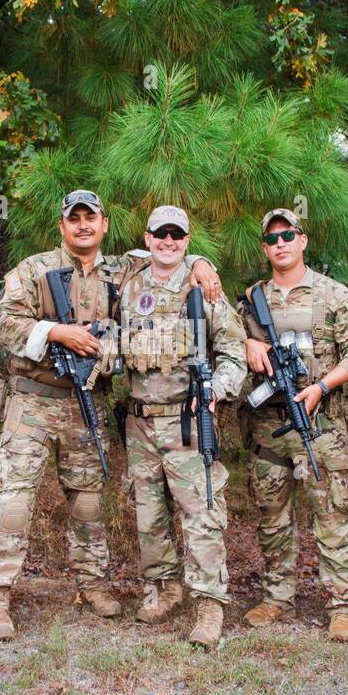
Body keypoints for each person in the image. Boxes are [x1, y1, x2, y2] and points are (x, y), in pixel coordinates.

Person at [0, 189, 222, 641]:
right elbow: (3, 322)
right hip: (33, 402)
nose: (83, 225)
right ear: (63, 226)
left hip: (84, 404)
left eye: (91, 218)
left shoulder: (122, 270)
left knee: (88, 502)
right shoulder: (34, 269)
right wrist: (58, 332)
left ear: (104, 225)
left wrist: (203, 263)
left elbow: (169, 254)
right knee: (13, 502)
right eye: (75, 219)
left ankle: (91, 584)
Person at [239, 208, 348, 642]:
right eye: (272, 238)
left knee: (333, 512)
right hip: (267, 425)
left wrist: (322, 386)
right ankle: (278, 596)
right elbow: (221, 338)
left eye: (288, 235)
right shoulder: (250, 301)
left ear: (303, 240)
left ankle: (343, 604)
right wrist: (246, 342)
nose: (280, 244)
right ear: (265, 247)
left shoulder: (334, 295)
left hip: (321, 423)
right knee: (271, 516)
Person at [121, 206, 247, 648]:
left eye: (177, 235)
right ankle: (165, 588)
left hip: (187, 419)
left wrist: (217, 390)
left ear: (188, 239)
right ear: (148, 237)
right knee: (149, 514)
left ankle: (209, 604)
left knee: (201, 513)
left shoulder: (204, 290)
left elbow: (233, 352)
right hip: (139, 423)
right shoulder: (128, 283)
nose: (168, 242)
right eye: (161, 234)